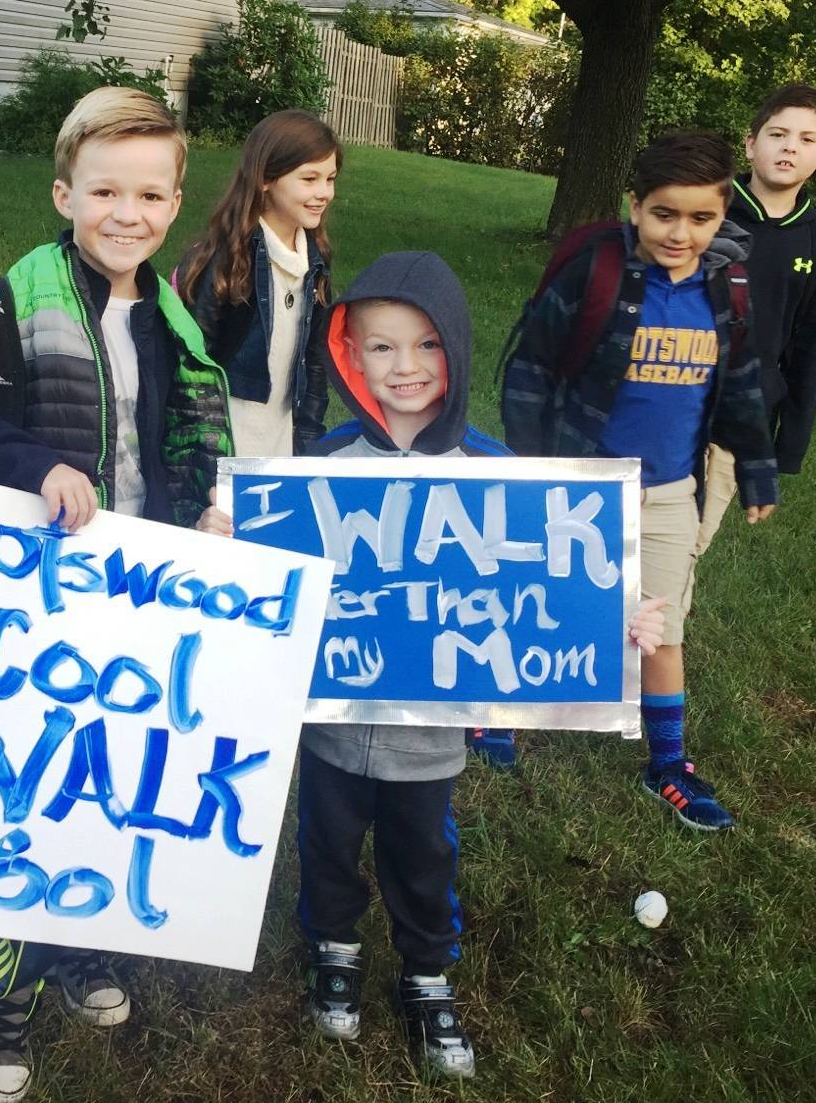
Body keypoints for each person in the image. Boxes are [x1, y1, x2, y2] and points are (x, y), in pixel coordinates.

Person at [200, 251, 664, 1078]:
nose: (404, 367)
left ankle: (426, 972)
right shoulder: (321, 470)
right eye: (380, 348)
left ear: (455, 346)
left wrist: (616, 620)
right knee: (329, 843)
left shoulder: (496, 477)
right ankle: (334, 951)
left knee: (424, 858)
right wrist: (227, 545)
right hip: (333, 733)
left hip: (432, 741)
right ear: (348, 355)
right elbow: (264, 575)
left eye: (425, 345)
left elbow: (558, 580)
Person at [0, 86, 232, 1103]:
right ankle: (0, 985)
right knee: (24, 773)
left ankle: (84, 943)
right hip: (26, 594)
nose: (125, 214)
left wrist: (210, 508)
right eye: (104, 191)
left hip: (138, 589)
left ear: (175, 203)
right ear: (64, 192)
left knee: (107, 771)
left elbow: (187, 443)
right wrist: (28, 465)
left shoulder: (179, 327)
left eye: (149, 195)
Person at [502, 130, 778, 833]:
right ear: (634, 205)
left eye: (701, 217)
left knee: (662, 626)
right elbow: (531, 367)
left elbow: (741, 383)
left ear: (723, 214)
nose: (680, 233)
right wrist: (534, 471)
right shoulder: (595, 272)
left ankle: (670, 764)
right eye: (664, 214)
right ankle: (498, 716)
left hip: (667, 494)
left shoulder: (729, 290)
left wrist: (756, 469)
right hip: (579, 478)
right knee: (543, 598)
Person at [696, 83, 816, 556]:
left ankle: (658, 626)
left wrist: (786, 447)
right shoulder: (705, 212)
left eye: (806, 139)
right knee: (640, 528)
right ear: (751, 143)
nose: (790, 147)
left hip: (743, 416)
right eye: (777, 134)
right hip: (675, 393)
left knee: (692, 540)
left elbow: (810, 342)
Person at [175, 109, 341, 456]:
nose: (324, 193)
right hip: (225, 440)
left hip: (281, 441)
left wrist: (308, 442)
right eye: (309, 179)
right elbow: (193, 366)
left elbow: (315, 363)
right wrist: (204, 452)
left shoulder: (315, 260)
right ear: (265, 177)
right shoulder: (227, 261)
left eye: (330, 179)